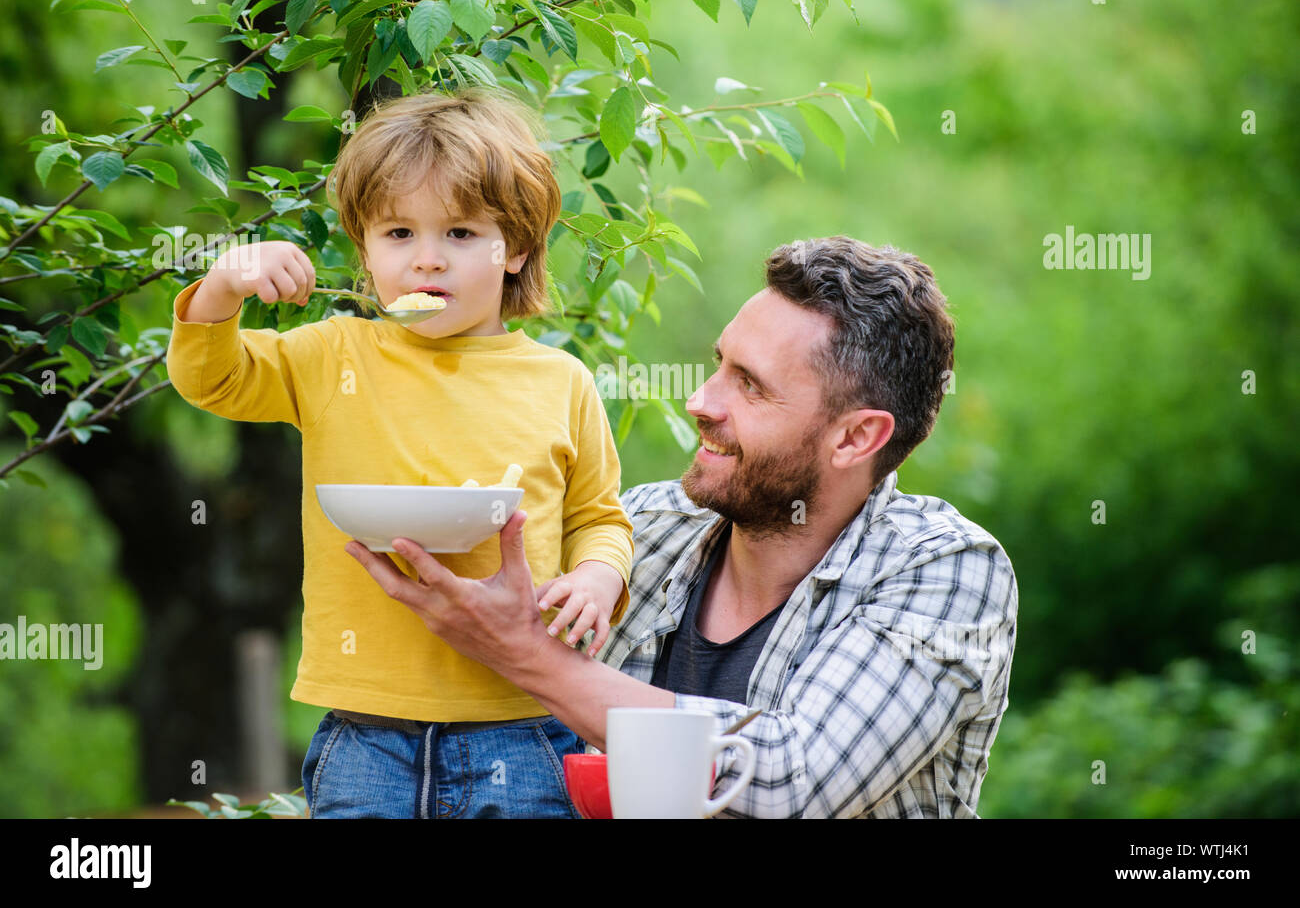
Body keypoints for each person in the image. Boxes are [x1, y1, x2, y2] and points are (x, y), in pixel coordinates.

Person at [347, 236, 1019, 818]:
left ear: (856, 437)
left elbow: (794, 780)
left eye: (750, 386)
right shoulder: (641, 528)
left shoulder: (948, 568)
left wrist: (526, 654)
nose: (701, 400)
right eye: (718, 363)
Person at [166, 87, 634, 818]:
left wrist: (599, 580)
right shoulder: (332, 353)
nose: (425, 262)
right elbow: (211, 376)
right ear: (364, 249)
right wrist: (226, 284)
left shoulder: (560, 381)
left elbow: (600, 516)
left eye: (458, 233)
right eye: (398, 235)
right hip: (365, 730)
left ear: (512, 248)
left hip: (521, 724)